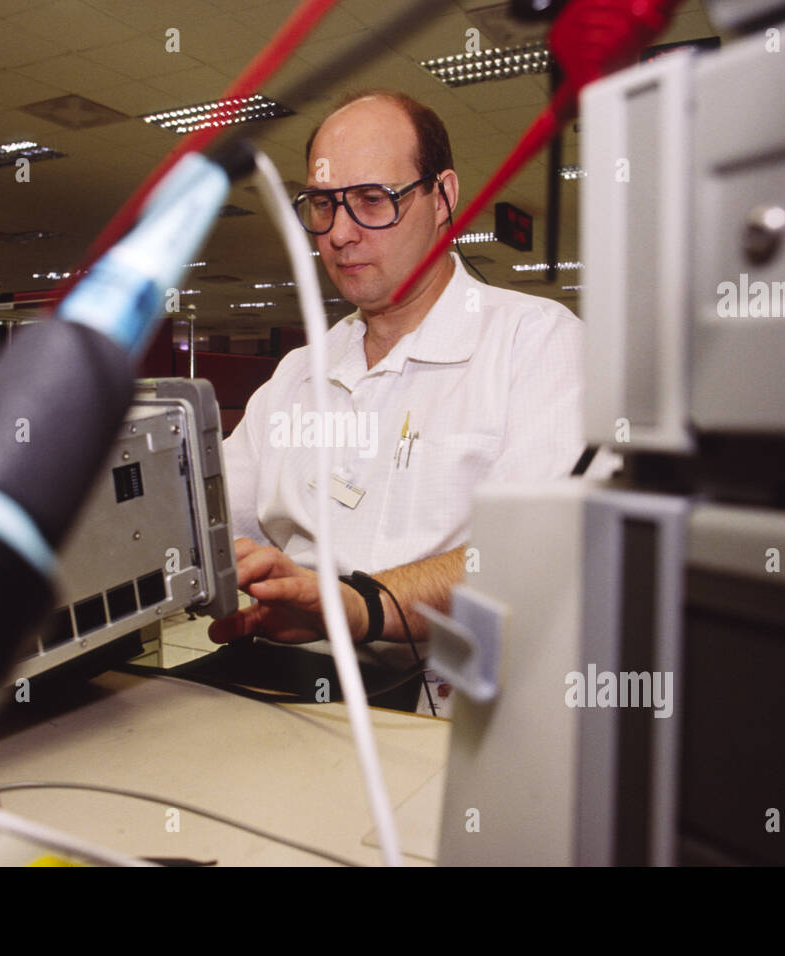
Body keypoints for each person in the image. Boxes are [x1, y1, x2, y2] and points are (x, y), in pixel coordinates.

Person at [189, 89, 589, 710]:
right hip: (288, 695)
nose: (340, 234)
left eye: (373, 201)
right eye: (322, 205)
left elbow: (540, 555)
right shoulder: (300, 375)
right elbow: (206, 515)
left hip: (445, 721)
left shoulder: (533, 343)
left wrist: (353, 605)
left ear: (445, 198)